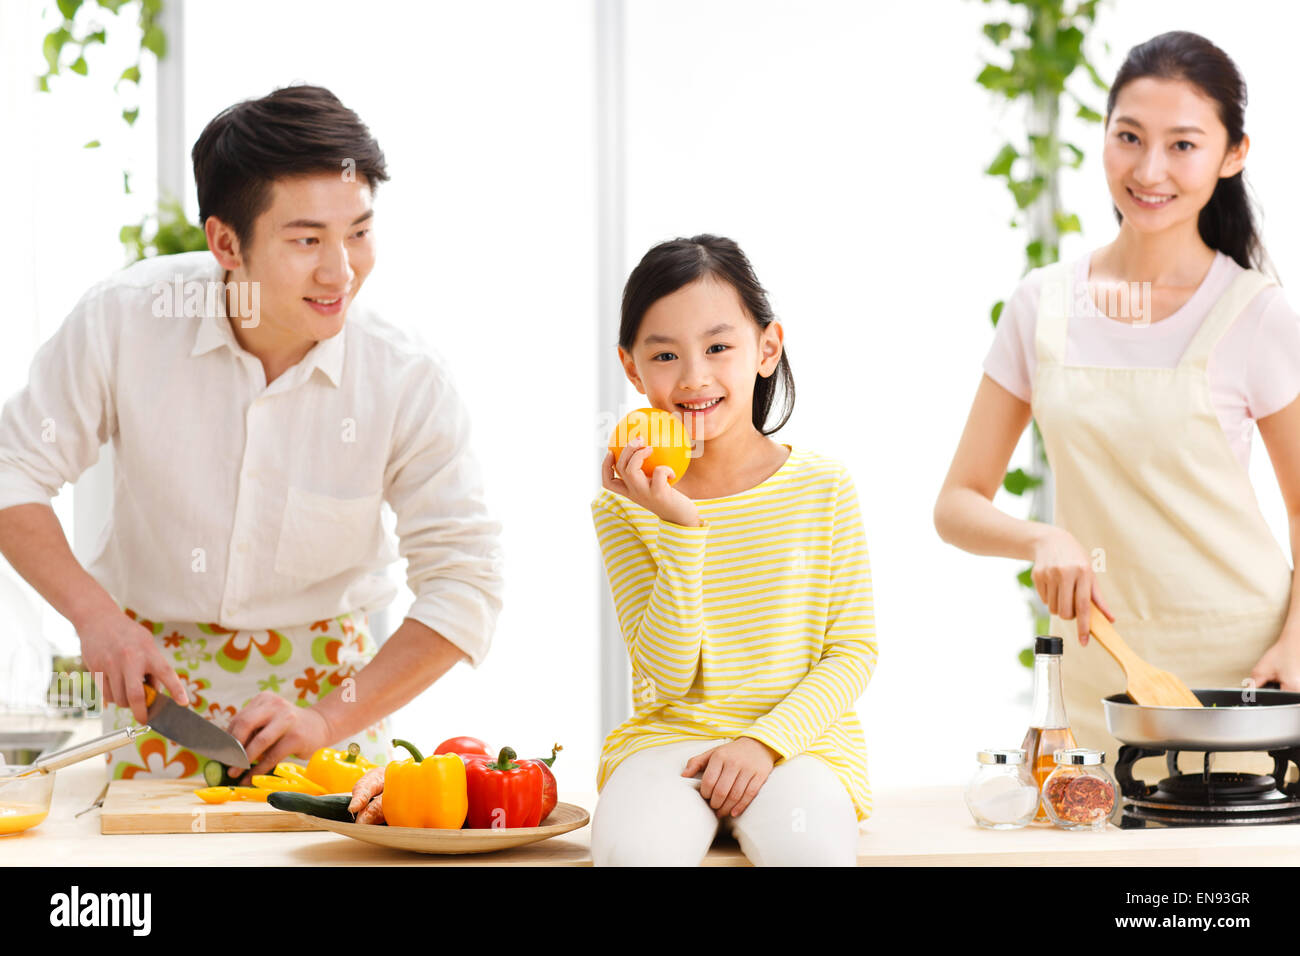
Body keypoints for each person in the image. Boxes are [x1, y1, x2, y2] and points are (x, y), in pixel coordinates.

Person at [0, 85, 503, 780]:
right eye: (306, 240)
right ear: (225, 242)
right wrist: (96, 618)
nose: (341, 270)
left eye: (358, 232)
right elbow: (12, 471)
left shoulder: (407, 378)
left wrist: (328, 719)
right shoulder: (125, 321)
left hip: (334, 704)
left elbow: (466, 581)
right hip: (157, 691)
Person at [934, 32, 1300, 764]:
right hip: (1102, 676)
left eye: (1183, 145)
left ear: (1233, 155)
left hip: (1245, 684)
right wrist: (1041, 538)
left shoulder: (1258, 314)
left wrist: (1296, 645)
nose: (1149, 169)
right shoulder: (1044, 305)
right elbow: (957, 502)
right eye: (1128, 137)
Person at [585, 234, 876, 866]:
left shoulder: (824, 486)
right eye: (665, 355)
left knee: (811, 851)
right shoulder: (621, 504)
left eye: (719, 347)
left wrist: (763, 744)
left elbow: (852, 653)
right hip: (669, 744)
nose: (694, 378)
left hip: (799, 747)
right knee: (634, 853)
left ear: (767, 348)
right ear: (632, 368)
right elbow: (662, 682)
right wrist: (681, 528)